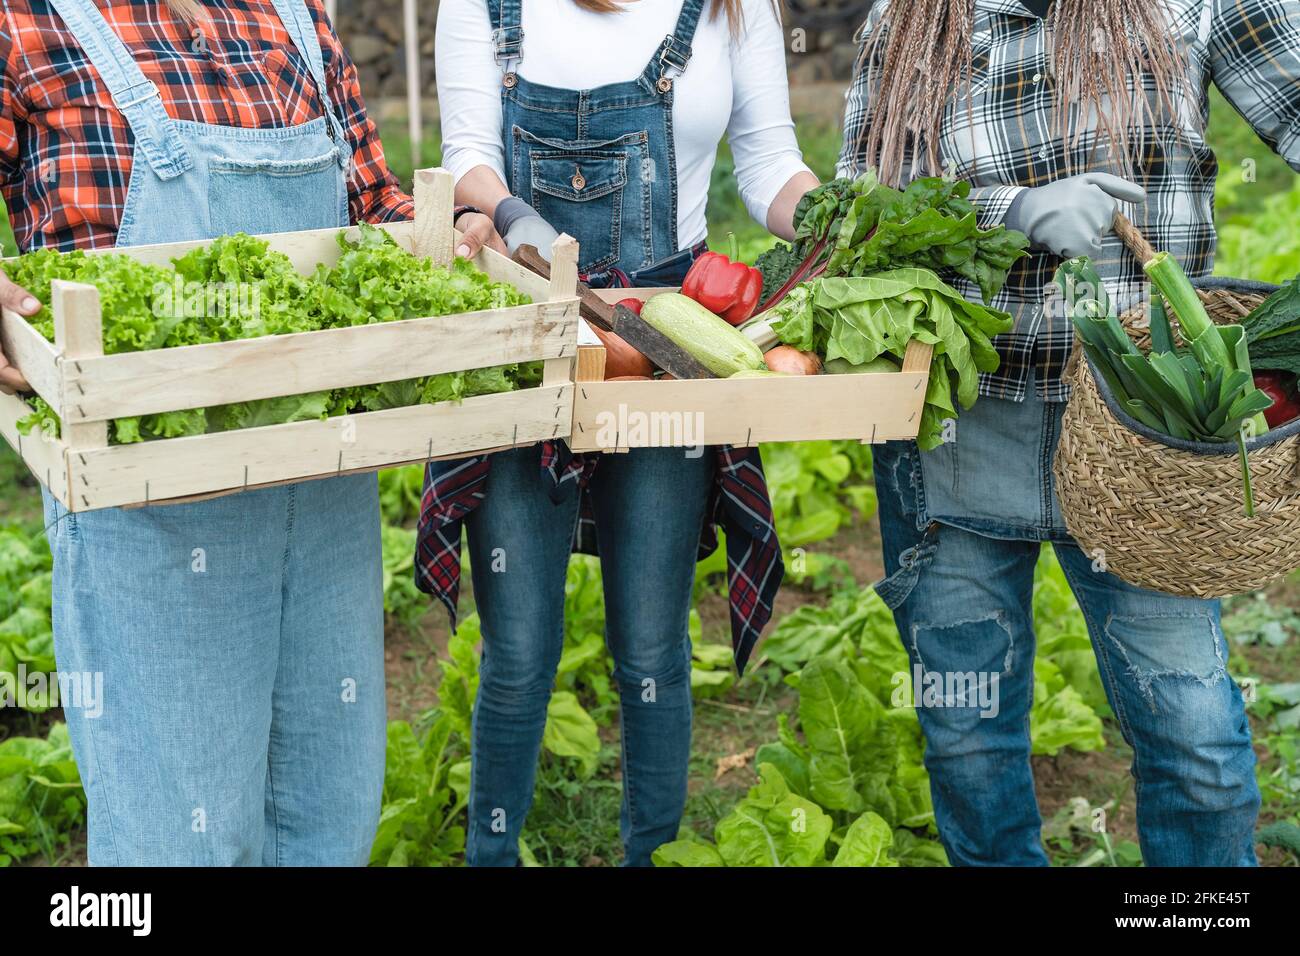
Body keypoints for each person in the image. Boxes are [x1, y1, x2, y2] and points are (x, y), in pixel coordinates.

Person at [0, 0, 499, 865]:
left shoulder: (292, 16)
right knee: (175, 834)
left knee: (327, 813)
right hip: (151, 511)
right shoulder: (27, 19)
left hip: (326, 496)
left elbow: (371, 205)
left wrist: (439, 242)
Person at [841, 0, 1300, 866]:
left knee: (1196, 739)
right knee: (968, 736)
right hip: (960, 420)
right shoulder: (908, 21)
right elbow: (861, 205)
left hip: (1149, 437)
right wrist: (1008, 209)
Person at [422, 0, 818, 866]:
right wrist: (511, 216)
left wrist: (840, 219)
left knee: (651, 646)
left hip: (664, 343)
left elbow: (769, 163)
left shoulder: (731, 7)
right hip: (530, 330)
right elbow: (468, 158)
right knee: (520, 651)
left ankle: (656, 854)